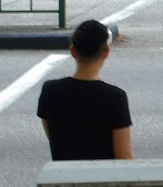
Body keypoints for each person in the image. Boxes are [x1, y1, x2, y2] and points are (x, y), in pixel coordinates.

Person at [36, 19, 132, 161]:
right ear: (106, 52)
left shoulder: (50, 90)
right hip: (103, 174)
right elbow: (124, 157)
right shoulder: (116, 98)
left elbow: (53, 136)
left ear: (73, 51)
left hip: (63, 173)